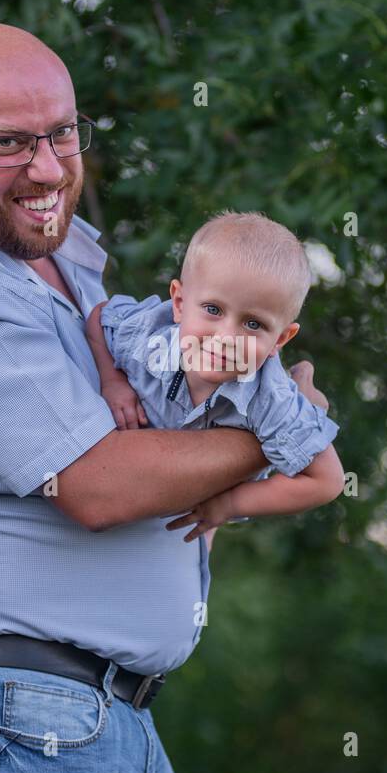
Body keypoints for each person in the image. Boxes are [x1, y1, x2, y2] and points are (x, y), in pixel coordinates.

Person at [0, 23, 332, 773]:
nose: (46, 167)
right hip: (10, 717)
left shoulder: (57, 257)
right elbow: (96, 486)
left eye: (63, 134)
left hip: (91, 715)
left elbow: (157, 420)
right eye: (9, 142)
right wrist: (283, 428)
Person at [85, 210, 345, 546]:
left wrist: (231, 504)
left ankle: (300, 383)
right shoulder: (149, 337)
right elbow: (98, 318)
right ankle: (302, 378)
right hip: (149, 475)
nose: (226, 337)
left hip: (205, 485)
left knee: (196, 540)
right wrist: (113, 382)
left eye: (253, 324)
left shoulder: (269, 399)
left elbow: (327, 481)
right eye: (213, 309)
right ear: (179, 302)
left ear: (279, 339)